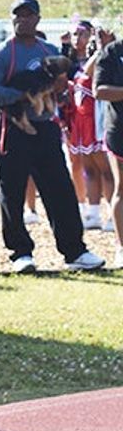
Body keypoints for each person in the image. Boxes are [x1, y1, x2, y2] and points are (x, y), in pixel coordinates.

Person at [0, 0, 104, 273]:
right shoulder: (2, 54)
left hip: (46, 130)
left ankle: (75, 252)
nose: (23, 20)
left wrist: (62, 94)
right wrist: (20, 96)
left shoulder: (49, 49)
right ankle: (21, 254)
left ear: (37, 19)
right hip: (13, 130)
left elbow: (63, 86)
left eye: (28, 15)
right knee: (12, 193)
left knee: (61, 191)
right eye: (18, 16)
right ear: (12, 20)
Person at [61, 21, 113, 231]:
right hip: (81, 123)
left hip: (97, 122)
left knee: (106, 170)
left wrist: (102, 47)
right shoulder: (76, 65)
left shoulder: (102, 65)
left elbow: (87, 75)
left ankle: (112, 213)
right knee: (88, 169)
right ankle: (92, 213)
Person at [92, 25, 123, 268]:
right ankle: (122, 246)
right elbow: (99, 91)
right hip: (119, 130)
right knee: (122, 189)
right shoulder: (112, 52)